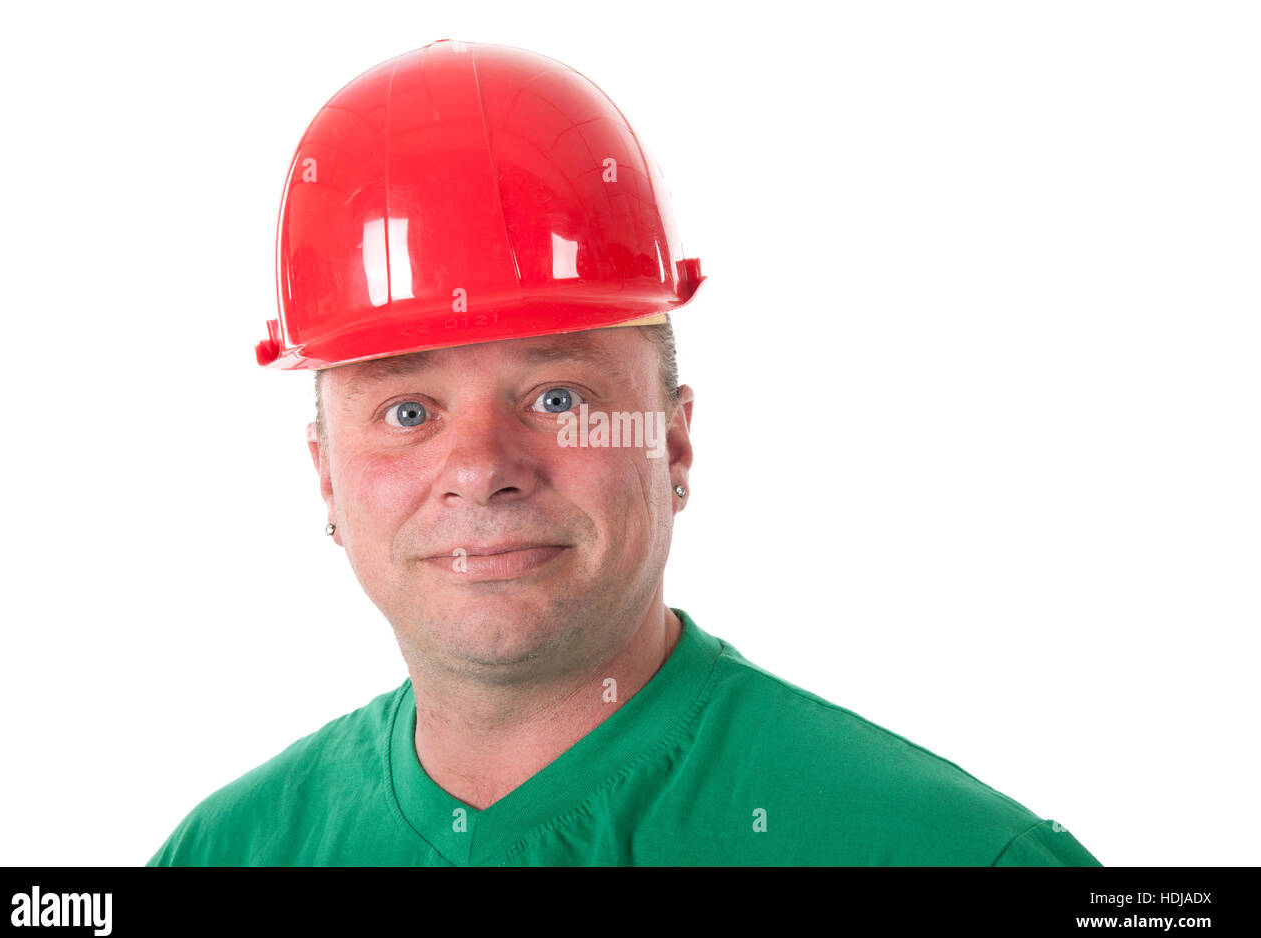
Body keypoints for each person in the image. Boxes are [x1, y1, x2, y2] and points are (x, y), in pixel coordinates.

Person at [149, 39, 1101, 867]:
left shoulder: (952, 857)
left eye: (557, 397)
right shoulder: (227, 852)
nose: (483, 467)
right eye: (407, 412)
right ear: (324, 473)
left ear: (674, 440)